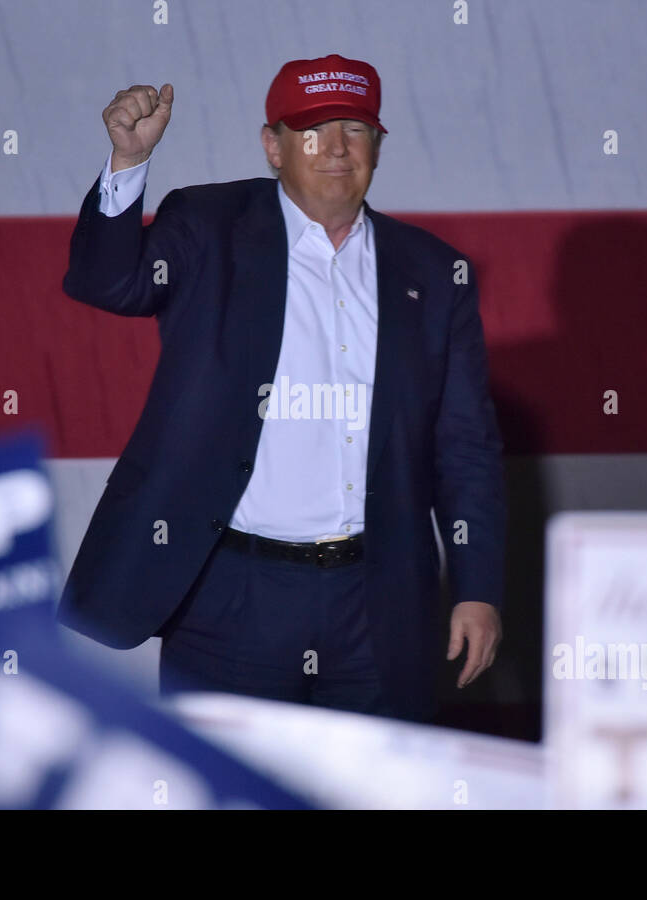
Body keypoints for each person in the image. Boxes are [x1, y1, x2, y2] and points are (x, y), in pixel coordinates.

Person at [58, 53, 505, 723]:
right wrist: (127, 166)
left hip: (376, 601)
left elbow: (465, 446)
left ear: (378, 147)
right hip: (231, 594)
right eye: (311, 131)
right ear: (273, 145)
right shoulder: (208, 226)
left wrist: (477, 588)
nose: (334, 150)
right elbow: (108, 282)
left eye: (353, 130)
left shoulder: (437, 273)